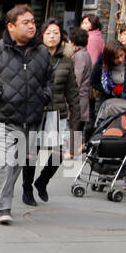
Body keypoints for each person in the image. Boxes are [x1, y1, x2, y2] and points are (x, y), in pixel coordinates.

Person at [0, 4, 53, 225]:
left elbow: (48, 81)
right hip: (2, 116)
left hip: (31, 117)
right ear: (11, 26)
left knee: (17, 164)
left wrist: (44, 97)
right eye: (25, 22)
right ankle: (4, 207)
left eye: (33, 22)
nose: (31, 26)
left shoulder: (42, 52)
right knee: (7, 161)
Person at [30, 19, 80, 203]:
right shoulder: (33, 57)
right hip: (36, 111)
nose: (52, 36)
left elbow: (73, 92)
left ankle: (42, 181)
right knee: (30, 153)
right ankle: (27, 189)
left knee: (59, 151)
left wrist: (76, 121)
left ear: (61, 36)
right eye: (49, 33)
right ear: (42, 35)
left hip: (57, 112)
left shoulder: (67, 61)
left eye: (56, 33)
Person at [68, 27, 92, 147]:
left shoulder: (79, 56)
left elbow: (77, 77)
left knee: (75, 123)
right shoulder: (84, 53)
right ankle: (74, 148)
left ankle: (73, 149)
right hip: (82, 94)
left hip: (79, 95)